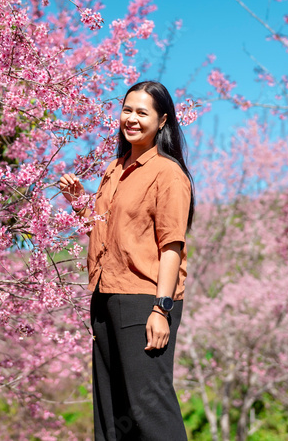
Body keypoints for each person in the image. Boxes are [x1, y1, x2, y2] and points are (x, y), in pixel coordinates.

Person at [59, 80, 194, 441]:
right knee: (112, 414)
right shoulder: (114, 169)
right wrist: (79, 204)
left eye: (142, 112)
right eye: (127, 110)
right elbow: (106, 233)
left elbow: (171, 247)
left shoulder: (168, 173)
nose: (131, 119)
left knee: (149, 410)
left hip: (144, 302)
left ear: (163, 120)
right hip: (105, 296)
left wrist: (161, 309)